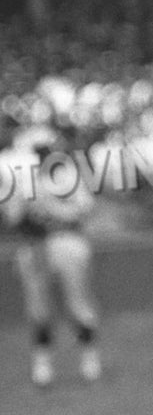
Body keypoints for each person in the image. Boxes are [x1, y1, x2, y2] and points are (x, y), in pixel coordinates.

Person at [0, 126, 103, 387]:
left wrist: (52, 209)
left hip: (67, 241)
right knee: (38, 309)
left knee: (78, 304)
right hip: (35, 246)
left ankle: (89, 357)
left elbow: (84, 209)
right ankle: (42, 363)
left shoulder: (67, 174)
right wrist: (24, 209)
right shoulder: (22, 180)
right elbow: (12, 218)